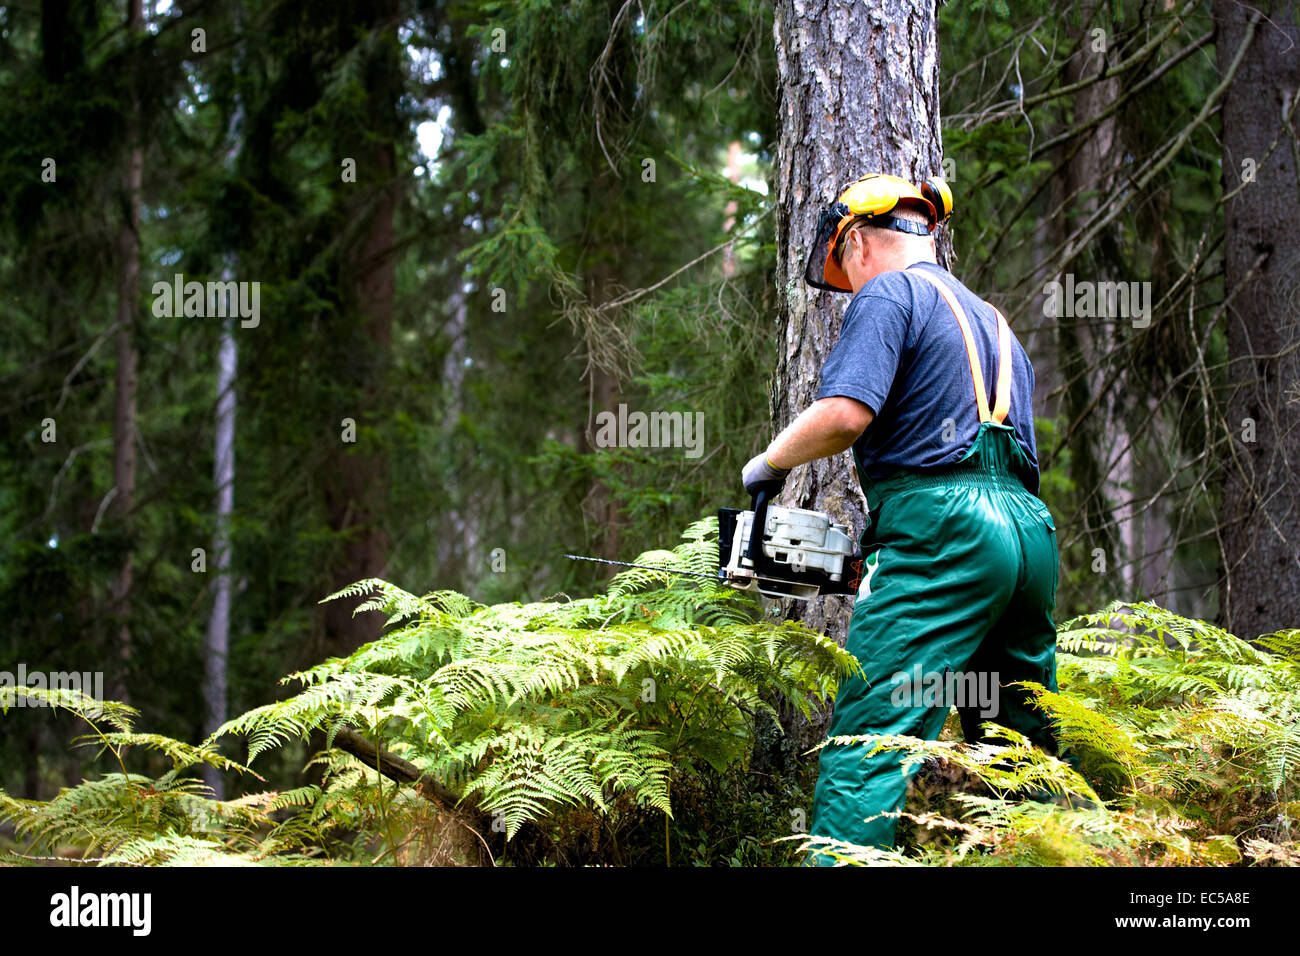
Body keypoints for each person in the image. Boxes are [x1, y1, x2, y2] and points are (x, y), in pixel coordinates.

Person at [741, 174, 1063, 860]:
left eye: (844, 271)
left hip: (944, 530)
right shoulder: (995, 323)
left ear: (855, 242)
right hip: (1029, 538)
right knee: (1021, 747)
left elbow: (844, 414)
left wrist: (768, 464)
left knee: (872, 737)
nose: (850, 287)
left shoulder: (890, 292)